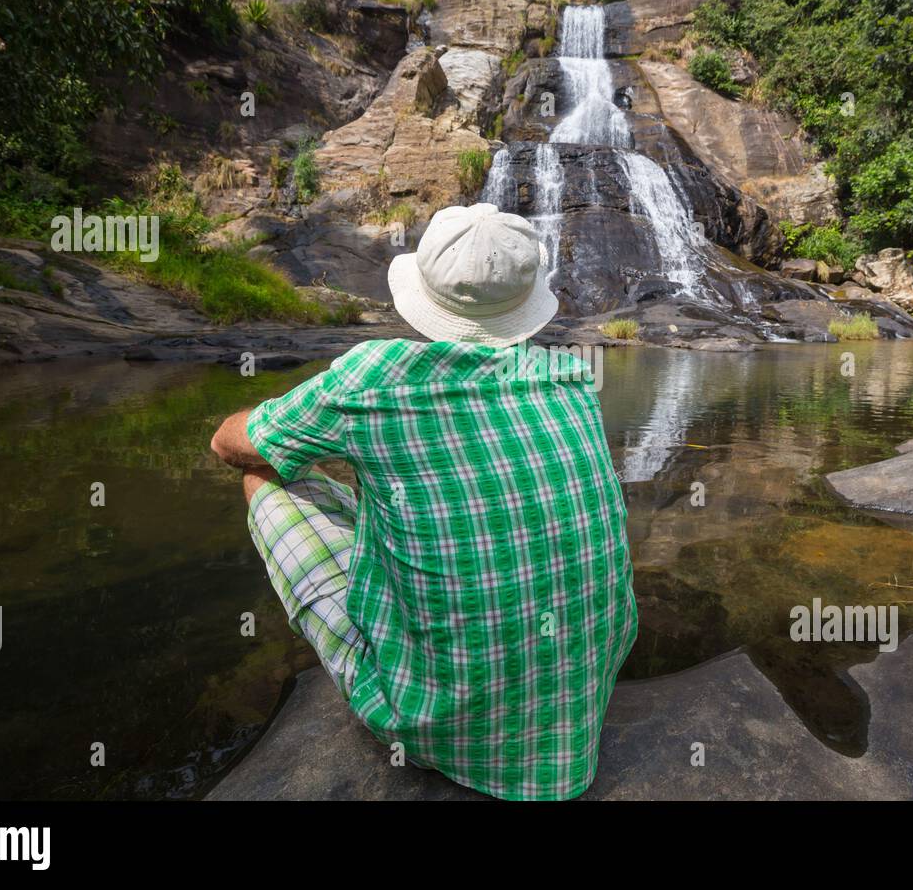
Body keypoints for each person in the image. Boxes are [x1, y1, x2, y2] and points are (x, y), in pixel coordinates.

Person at [209, 203, 638, 800]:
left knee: (266, 476)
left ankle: (402, 688)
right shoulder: (570, 378)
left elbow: (230, 445)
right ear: (526, 299)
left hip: (440, 723)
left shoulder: (373, 377)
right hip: (580, 718)